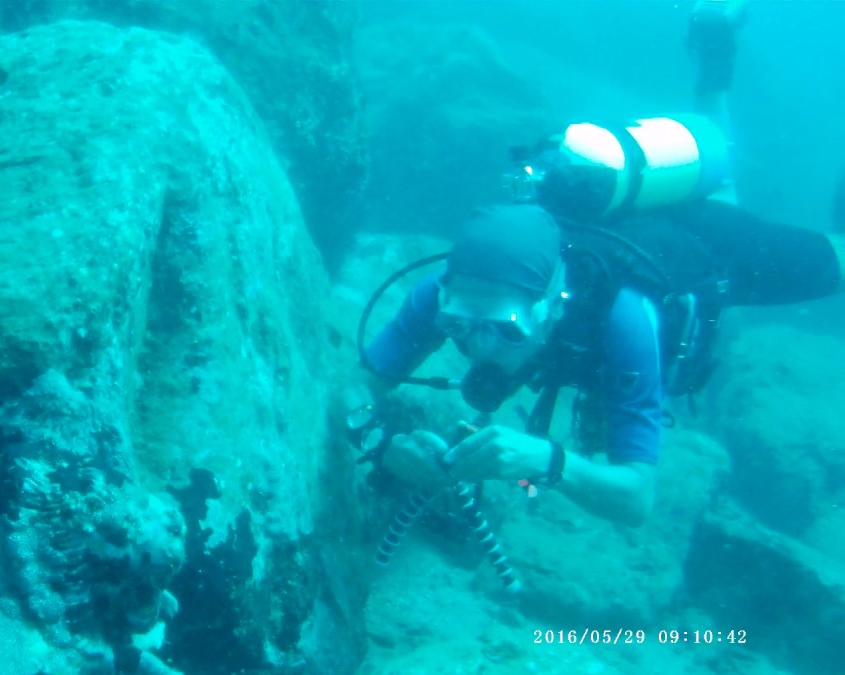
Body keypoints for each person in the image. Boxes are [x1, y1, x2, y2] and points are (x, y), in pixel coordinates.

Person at [335, 0, 845, 528]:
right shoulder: (445, 292)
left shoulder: (624, 319)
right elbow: (355, 384)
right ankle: (716, 48)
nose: (477, 345)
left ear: (553, 306)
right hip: (642, 228)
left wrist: (550, 462)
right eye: (462, 325)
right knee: (727, 185)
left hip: (718, 248)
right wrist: (380, 440)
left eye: (507, 329)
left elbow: (637, 498)